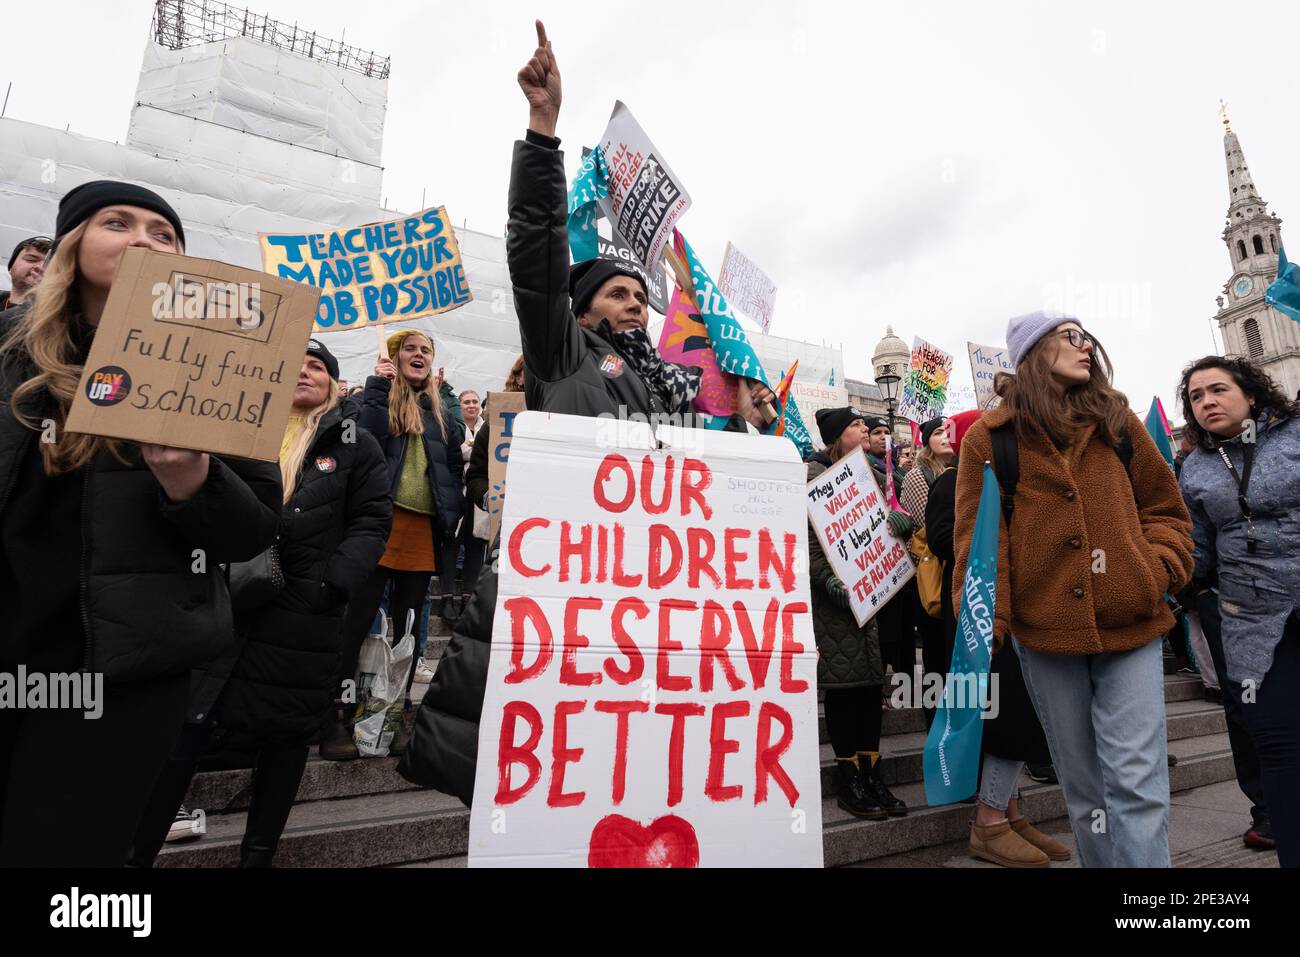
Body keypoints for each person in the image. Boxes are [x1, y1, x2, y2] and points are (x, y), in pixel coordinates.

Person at [0, 181, 281, 866]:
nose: (142, 240)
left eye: (163, 233)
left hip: (117, 678)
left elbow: (253, 531)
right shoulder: (8, 352)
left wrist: (193, 479)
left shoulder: (217, 368)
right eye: (117, 223)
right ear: (73, 243)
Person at [129, 339, 392, 866]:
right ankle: (137, 857)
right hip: (222, 599)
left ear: (335, 384)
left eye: (317, 366)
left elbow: (371, 519)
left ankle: (257, 856)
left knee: (286, 734)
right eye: (294, 364)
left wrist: (333, 583)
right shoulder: (235, 427)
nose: (303, 372)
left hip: (303, 611)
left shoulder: (357, 443)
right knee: (188, 725)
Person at [952, 310, 1194, 868]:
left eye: (1086, 337)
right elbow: (979, 543)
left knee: (1137, 782)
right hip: (1045, 634)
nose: (1085, 346)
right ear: (1034, 352)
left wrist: (1155, 571)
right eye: (1070, 337)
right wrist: (987, 626)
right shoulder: (988, 439)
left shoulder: (1116, 419)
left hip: (1132, 622)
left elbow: (1166, 508)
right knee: (1085, 792)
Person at [926, 411, 1068, 867]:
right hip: (978, 614)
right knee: (1009, 715)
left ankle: (1010, 815)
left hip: (1008, 609)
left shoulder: (1007, 479)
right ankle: (988, 823)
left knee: (1012, 716)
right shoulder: (950, 484)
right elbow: (947, 539)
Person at [1178, 355, 1299, 866]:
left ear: (1251, 394)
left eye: (1218, 390)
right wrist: (1184, 585)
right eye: (1196, 396)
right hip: (1250, 621)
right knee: (1275, 741)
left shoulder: (1294, 435)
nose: (1207, 401)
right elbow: (1197, 546)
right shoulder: (1196, 467)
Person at [324, 329, 464, 760]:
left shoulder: (439, 410)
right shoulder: (378, 397)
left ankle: (396, 715)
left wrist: (448, 394)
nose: (418, 355)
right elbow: (361, 440)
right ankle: (338, 716)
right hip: (377, 526)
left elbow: (456, 445)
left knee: (408, 633)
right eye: (410, 349)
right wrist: (378, 387)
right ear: (393, 357)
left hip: (422, 531)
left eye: (426, 350)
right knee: (358, 624)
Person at [809, 407, 906, 819]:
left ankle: (872, 776)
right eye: (855, 425)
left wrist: (901, 524)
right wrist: (830, 583)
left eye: (864, 424)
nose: (865, 428)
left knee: (870, 694)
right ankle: (850, 782)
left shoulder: (878, 477)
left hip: (878, 602)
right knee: (845, 693)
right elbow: (809, 548)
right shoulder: (814, 479)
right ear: (837, 437)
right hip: (838, 609)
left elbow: (901, 519)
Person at [900, 416, 953, 720]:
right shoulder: (919, 475)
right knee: (935, 651)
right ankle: (935, 717)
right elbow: (928, 524)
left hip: (957, 574)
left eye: (948, 431)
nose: (945, 437)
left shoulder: (963, 467)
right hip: (934, 574)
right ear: (926, 442)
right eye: (937, 433)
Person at [860, 417, 918, 681]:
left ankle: (904, 680)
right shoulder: (863, 469)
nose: (883, 437)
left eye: (887, 432)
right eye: (876, 432)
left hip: (901, 561)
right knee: (885, 629)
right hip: (875, 563)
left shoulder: (901, 473)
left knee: (903, 627)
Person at [1, 236, 51, 310]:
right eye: (31, 259)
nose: (41, 267)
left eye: (49, 264)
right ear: (11, 266)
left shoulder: (63, 318)